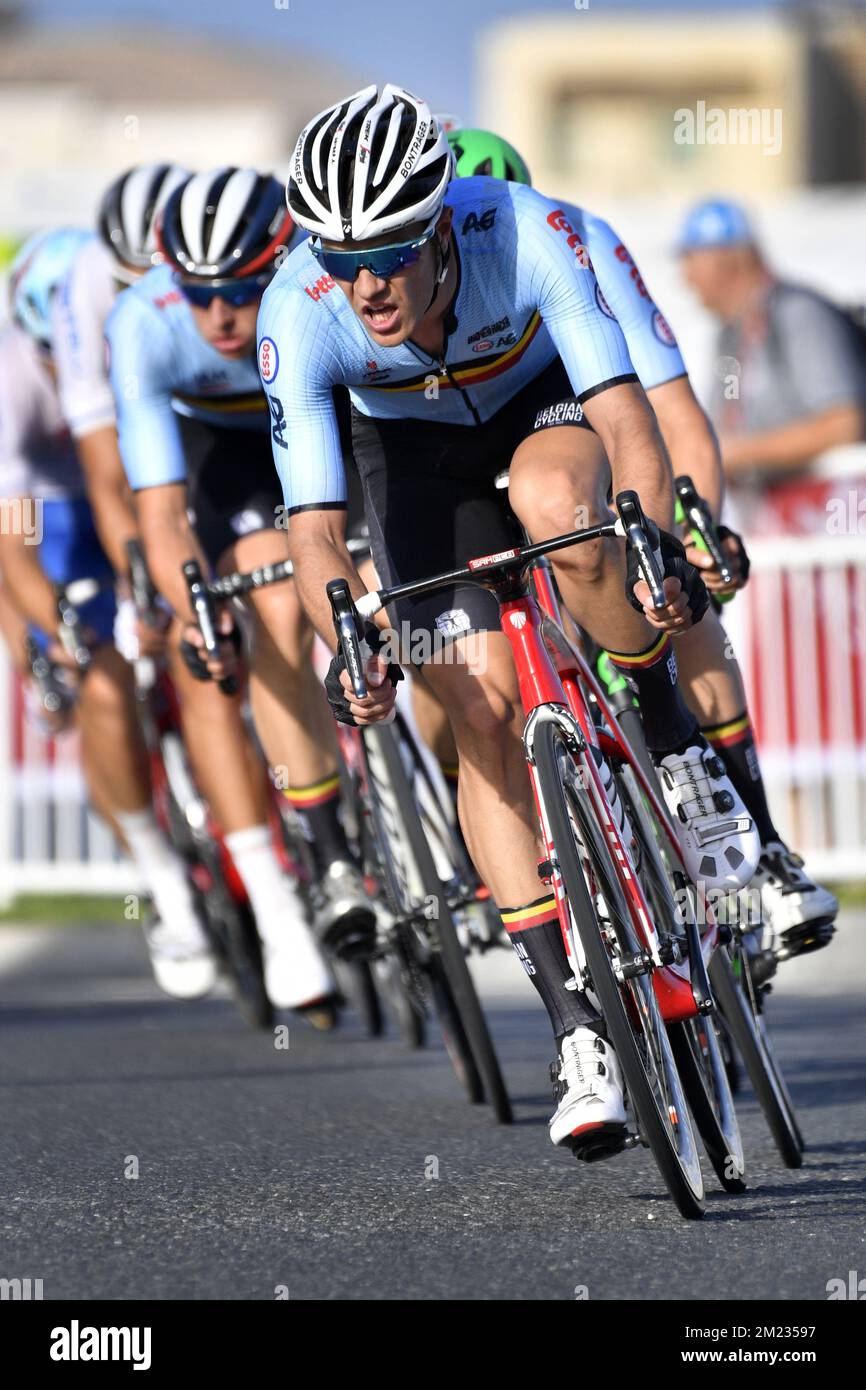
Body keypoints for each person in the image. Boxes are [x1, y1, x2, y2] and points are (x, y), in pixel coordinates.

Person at [258, 84, 762, 1158]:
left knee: (565, 521)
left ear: (438, 224)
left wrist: (656, 540)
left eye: (387, 251)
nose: (364, 284)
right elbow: (313, 524)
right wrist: (347, 628)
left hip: (542, 407)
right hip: (415, 462)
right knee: (476, 710)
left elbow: (627, 417)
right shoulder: (299, 307)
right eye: (338, 257)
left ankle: (672, 742)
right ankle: (575, 1028)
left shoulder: (522, 230)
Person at [444, 130, 838, 960]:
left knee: (672, 592)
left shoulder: (575, 239)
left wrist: (691, 528)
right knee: (460, 668)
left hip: (576, 436)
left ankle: (762, 847)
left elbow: (671, 405)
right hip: (468, 467)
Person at [105, 166, 376, 1010]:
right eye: (198, 293)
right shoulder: (143, 325)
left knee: (403, 605)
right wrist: (195, 615)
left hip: (344, 419)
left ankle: (433, 794)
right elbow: (159, 515)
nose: (219, 315)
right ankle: (324, 858)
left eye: (242, 289)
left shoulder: (322, 289)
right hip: (233, 458)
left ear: (283, 259)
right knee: (267, 609)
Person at [0, 227, 219, 998]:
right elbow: (12, 551)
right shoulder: (12, 374)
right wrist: (52, 633)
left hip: (128, 490)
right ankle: (162, 879)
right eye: (58, 355)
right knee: (98, 682)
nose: (71, 368)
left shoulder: (133, 336)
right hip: (46, 517)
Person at [678, 197, 866, 535]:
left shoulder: (799, 313)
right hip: (781, 537)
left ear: (725, 260)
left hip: (837, 535)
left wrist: (734, 453)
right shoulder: (729, 335)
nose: (685, 276)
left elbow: (844, 425)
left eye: (689, 258)